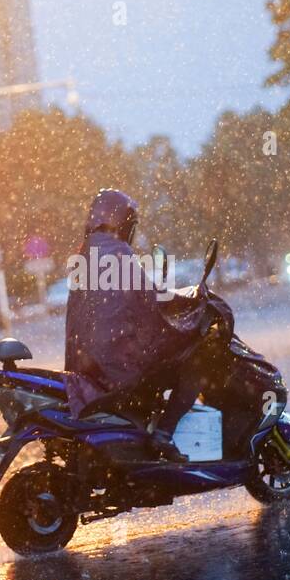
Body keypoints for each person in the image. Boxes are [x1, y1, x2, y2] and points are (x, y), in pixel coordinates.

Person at [64, 189, 210, 461]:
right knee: (193, 366)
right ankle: (164, 434)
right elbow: (152, 298)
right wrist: (190, 299)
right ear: (122, 220)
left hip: (87, 367)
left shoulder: (84, 254)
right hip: (116, 368)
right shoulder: (118, 252)